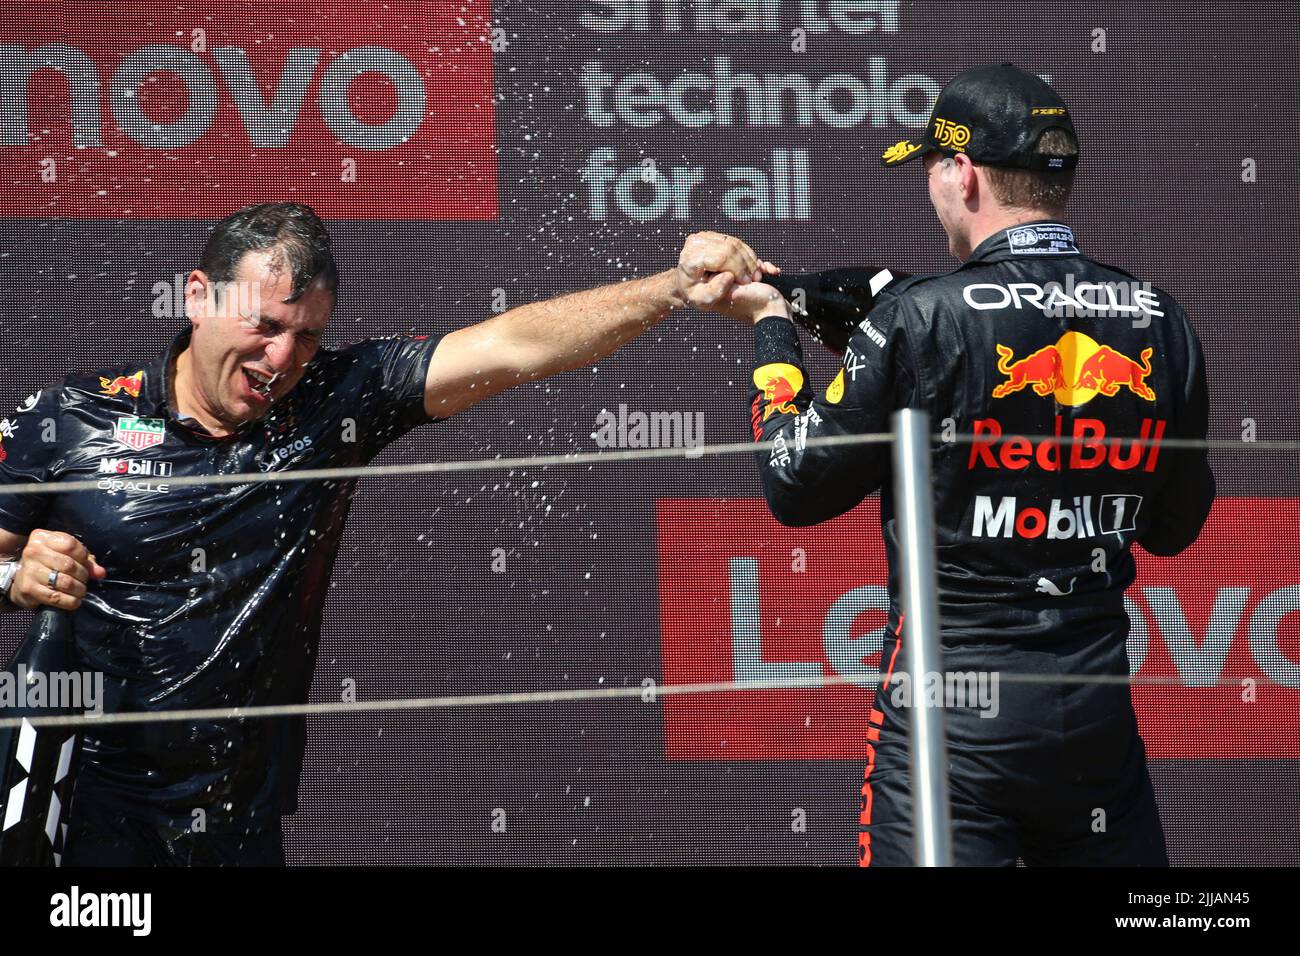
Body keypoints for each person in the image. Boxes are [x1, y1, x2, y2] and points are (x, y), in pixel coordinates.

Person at [0, 203, 773, 865]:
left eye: (305, 338)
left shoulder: (338, 402)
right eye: (265, 327)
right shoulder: (74, 418)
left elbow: (514, 347)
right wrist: (12, 575)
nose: (281, 360)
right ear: (198, 297)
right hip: (80, 808)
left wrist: (672, 290)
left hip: (238, 821)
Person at [706, 63, 1214, 865]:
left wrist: (771, 326)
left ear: (964, 173)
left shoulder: (920, 319)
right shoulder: (1160, 318)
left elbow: (793, 484)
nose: (930, 189)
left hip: (949, 727)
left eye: (931, 169)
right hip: (1091, 722)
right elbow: (1177, 529)